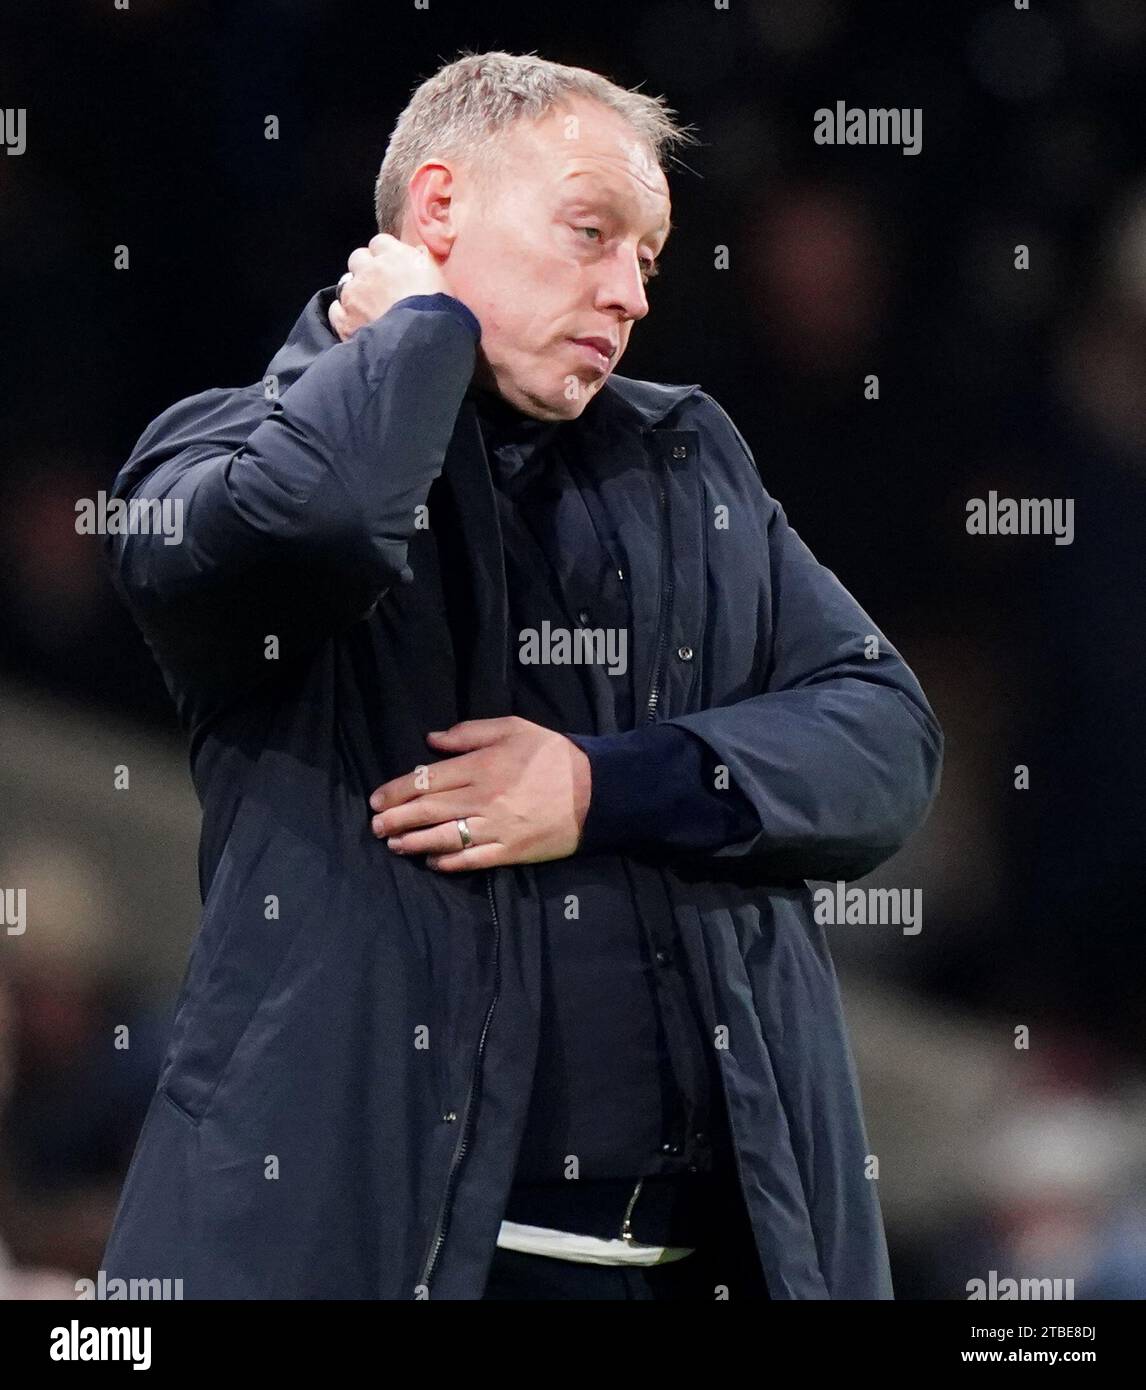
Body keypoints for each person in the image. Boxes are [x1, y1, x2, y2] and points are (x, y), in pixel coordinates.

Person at [100, 51, 942, 1300]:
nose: (630, 295)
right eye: (592, 233)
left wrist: (602, 788)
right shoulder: (208, 447)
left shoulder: (685, 463)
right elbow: (320, 521)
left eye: (646, 261)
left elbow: (885, 740)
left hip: (705, 1260)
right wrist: (417, 331)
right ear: (435, 211)